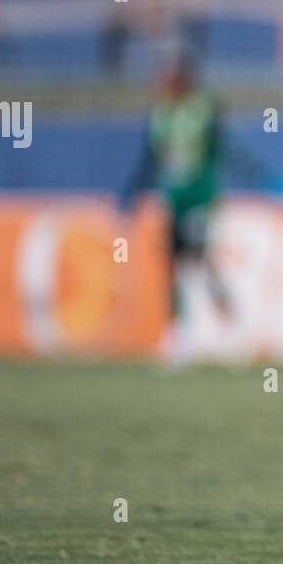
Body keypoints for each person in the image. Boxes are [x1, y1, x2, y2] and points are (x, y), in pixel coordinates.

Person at [122, 52, 231, 362]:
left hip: (200, 196)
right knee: (171, 263)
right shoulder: (160, 114)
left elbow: (222, 151)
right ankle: (178, 334)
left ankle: (227, 318)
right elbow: (151, 158)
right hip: (173, 199)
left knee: (200, 259)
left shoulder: (203, 108)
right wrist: (131, 195)